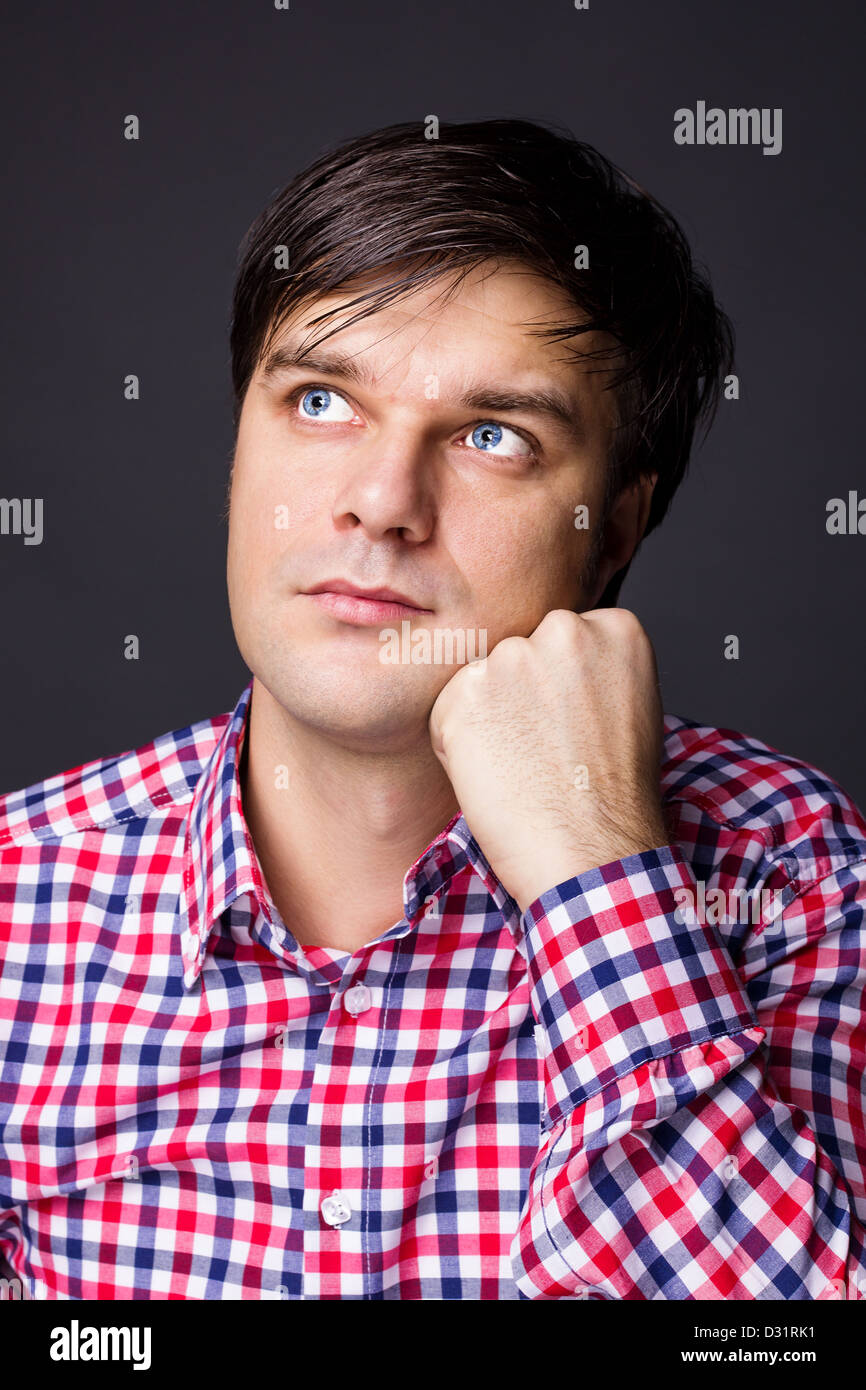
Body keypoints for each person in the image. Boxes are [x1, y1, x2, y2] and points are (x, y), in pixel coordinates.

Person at [1, 118, 864, 1301]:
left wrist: (597, 876)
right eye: (318, 402)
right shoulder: (19, 906)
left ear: (610, 530)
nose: (380, 502)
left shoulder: (792, 876)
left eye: (491, 435)